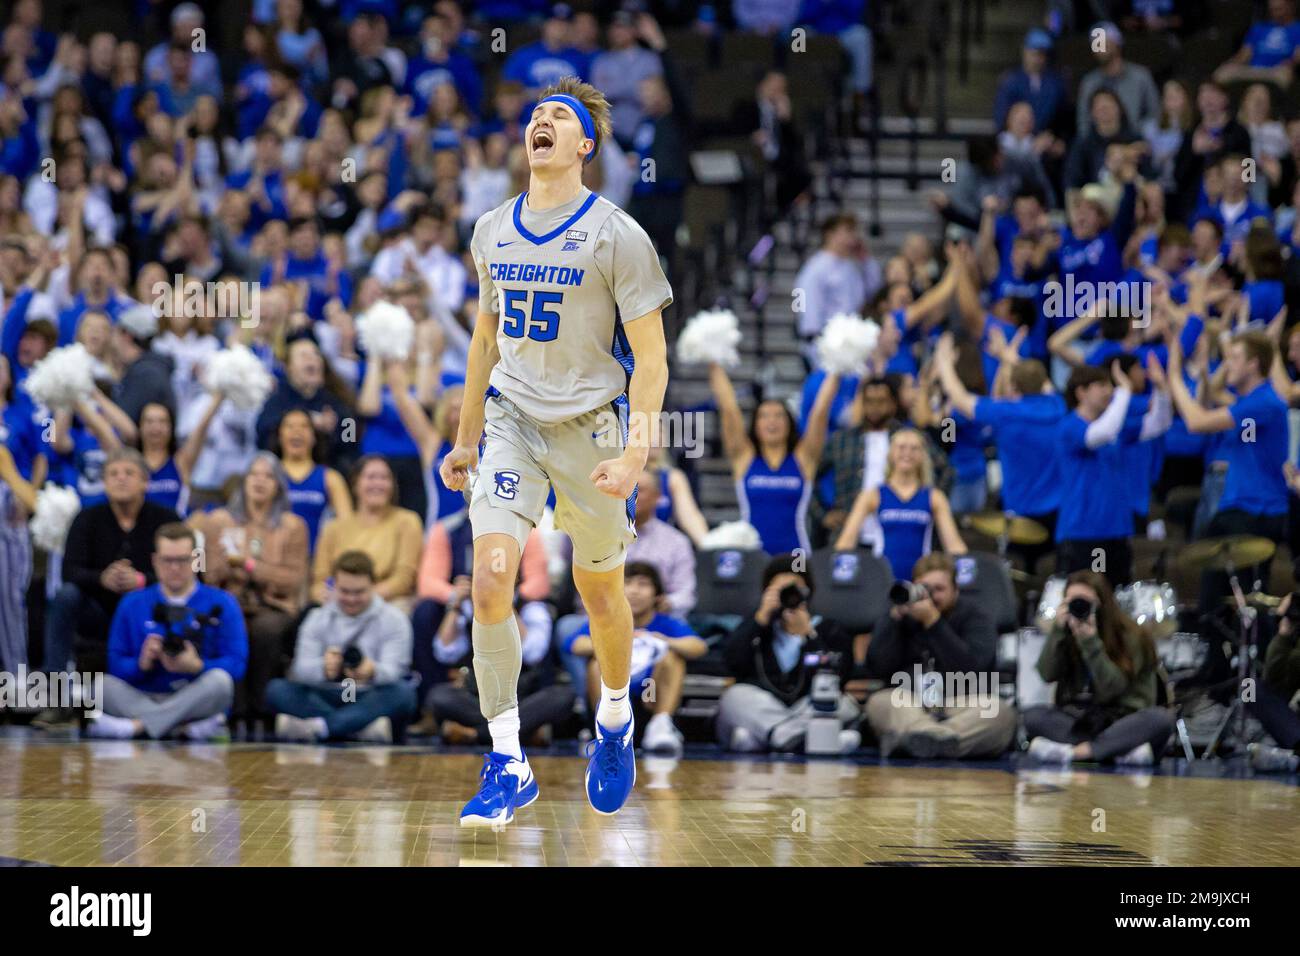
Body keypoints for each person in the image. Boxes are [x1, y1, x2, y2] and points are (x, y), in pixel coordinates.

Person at [439, 77, 672, 824]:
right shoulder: (490, 229)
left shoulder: (618, 234)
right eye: (535, 113)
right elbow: (483, 336)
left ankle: (613, 720)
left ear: (585, 146)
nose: (541, 121)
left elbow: (653, 358)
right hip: (512, 417)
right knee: (489, 579)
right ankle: (507, 758)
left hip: (595, 425)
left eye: (559, 117)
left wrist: (636, 456)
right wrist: (466, 435)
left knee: (600, 590)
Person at [41, 449, 180, 722]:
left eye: (129, 473)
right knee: (65, 595)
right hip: (99, 610)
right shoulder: (86, 518)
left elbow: (195, 569)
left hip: (149, 611)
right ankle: (57, 697)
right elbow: (69, 571)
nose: (121, 479)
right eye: (113, 474)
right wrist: (101, 579)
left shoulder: (167, 518)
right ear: (103, 482)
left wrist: (143, 580)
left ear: (145, 482)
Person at [87, 522, 247, 740]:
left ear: (196, 560)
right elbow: (115, 663)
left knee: (221, 683)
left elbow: (237, 664)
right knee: (99, 686)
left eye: (182, 560)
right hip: (144, 694)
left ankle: (137, 727)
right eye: (167, 560)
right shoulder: (132, 603)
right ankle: (178, 729)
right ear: (155, 561)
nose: (174, 568)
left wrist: (198, 666)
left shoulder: (222, 602)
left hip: (194, 694)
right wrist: (141, 663)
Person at [188, 452, 309, 734]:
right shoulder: (217, 521)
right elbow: (208, 573)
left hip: (274, 606)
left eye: (268, 476)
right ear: (243, 482)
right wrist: (227, 567)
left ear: (279, 484)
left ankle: (262, 710)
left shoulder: (293, 526)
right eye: (254, 474)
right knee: (231, 623)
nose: (260, 481)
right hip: (230, 602)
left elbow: (290, 580)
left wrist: (248, 566)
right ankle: (234, 711)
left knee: (264, 630)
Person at [865, 553, 1016, 758]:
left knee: (999, 711)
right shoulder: (900, 615)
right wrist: (892, 622)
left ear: (955, 590)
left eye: (939, 589)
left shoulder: (976, 617)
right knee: (880, 702)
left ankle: (918, 741)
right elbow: (878, 667)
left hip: (959, 704)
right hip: (910, 704)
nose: (931, 596)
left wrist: (933, 622)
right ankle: (941, 741)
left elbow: (972, 670)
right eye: (924, 588)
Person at [1024, 570, 1174, 766]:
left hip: (1124, 719)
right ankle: (1120, 752)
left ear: (1103, 603)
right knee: (1033, 716)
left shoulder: (1132, 636)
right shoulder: (1067, 632)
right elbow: (1046, 674)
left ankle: (1077, 753)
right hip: (1083, 721)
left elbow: (1112, 689)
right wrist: (1058, 631)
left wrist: (1090, 642)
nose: (1079, 607)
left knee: (1160, 719)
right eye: (1072, 602)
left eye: (1086, 602)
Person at [267, 550, 417, 743]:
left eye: (359, 592)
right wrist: (323, 667)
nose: (351, 599)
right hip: (326, 693)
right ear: (334, 587)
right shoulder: (317, 617)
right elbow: (300, 669)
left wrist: (372, 671)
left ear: (373, 586)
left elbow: (396, 670)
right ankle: (357, 727)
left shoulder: (394, 619)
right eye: (345, 591)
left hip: (369, 694)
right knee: (276, 689)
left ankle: (322, 727)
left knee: (404, 693)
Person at [715, 553, 859, 754]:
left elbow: (838, 675)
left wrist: (809, 636)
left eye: (795, 589)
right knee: (734, 697)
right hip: (763, 706)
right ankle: (812, 742)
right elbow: (731, 662)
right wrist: (760, 619)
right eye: (780, 590)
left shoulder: (828, 629)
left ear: (808, 593)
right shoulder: (755, 627)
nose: (788, 596)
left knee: (843, 703)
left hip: (805, 707)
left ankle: (771, 738)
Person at [564, 562, 706, 756]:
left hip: (650, 694)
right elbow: (575, 644)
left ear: (657, 594)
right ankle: (608, 731)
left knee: (673, 658)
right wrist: (618, 643)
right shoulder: (605, 620)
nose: (634, 591)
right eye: (627, 583)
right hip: (615, 701)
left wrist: (663, 641)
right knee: (597, 663)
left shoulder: (665, 623)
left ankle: (660, 724)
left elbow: (698, 646)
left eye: (643, 584)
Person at [1055, 355, 1171, 587]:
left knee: (1117, 603)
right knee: (1084, 601)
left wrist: (1161, 389)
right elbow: (1100, 434)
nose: (1109, 391)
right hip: (1082, 534)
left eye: (1111, 385)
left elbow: (1160, 423)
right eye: (1102, 386)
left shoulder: (1115, 426)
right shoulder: (1070, 426)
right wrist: (1124, 391)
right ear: (1081, 392)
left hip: (1117, 531)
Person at [708, 360, 839, 555]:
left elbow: (820, 411)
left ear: (789, 423)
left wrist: (840, 362)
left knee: (798, 586)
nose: (772, 422)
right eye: (764, 416)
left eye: (779, 416)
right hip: (752, 552)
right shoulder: (744, 457)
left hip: (796, 552)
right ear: (755, 424)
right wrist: (712, 358)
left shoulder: (804, 458)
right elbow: (728, 407)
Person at [426, 584, 572, 748]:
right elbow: (444, 651)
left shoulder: (531, 607)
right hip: (479, 695)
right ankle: (524, 733)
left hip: (522, 694)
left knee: (562, 696)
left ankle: (475, 734)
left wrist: (505, 605)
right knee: (438, 695)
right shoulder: (468, 606)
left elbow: (532, 653)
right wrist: (455, 606)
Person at [834, 428, 967, 580]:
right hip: (883, 580)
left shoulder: (934, 497)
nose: (907, 453)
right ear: (890, 453)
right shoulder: (872, 495)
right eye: (901, 447)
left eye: (914, 448)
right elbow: (846, 541)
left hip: (921, 580)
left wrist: (966, 569)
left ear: (923, 455)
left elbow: (953, 545)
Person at [311, 454, 422, 609]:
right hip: (339, 601)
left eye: (384, 478)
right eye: (371, 477)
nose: (378, 483)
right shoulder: (333, 528)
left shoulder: (407, 521)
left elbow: (404, 578)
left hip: (388, 603)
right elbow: (319, 579)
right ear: (355, 484)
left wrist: (359, 598)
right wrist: (328, 596)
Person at [275, 407, 352, 554]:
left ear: (314, 437)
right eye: (289, 426)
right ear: (280, 435)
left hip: (317, 561)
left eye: (304, 426)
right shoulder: (269, 475)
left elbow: (346, 527)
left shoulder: (331, 478)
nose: (296, 431)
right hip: (275, 560)